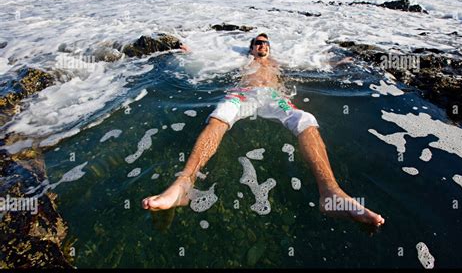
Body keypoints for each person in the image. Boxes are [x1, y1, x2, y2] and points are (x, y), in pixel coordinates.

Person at [142, 33, 385, 226]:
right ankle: (184, 185)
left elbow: (315, 64)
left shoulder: (279, 63)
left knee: (305, 119)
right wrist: (190, 53)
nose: (262, 46)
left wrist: (339, 62)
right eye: (258, 43)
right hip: (242, 95)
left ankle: (330, 193)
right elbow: (208, 60)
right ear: (251, 47)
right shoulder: (241, 61)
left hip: (274, 98)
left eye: (266, 43)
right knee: (219, 117)